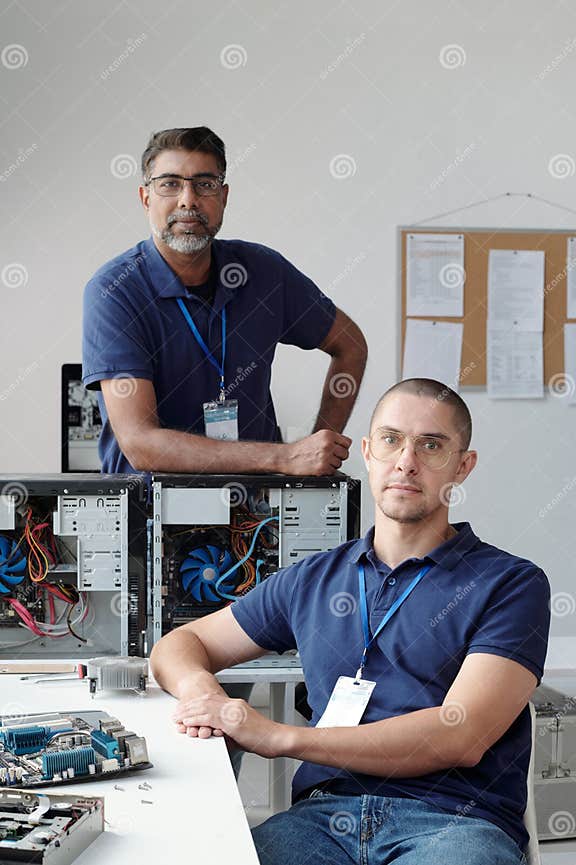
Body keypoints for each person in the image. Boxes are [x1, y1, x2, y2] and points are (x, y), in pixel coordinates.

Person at [150, 378, 551, 865]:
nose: (406, 461)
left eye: (431, 445)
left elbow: (460, 735)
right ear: (367, 452)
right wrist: (204, 694)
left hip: (453, 823)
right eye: (391, 440)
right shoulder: (313, 578)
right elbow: (179, 644)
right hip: (320, 822)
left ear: (463, 466)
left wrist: (279, 737)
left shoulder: (510, 584)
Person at [82, 126, 367, 475]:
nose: (188, 200)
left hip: (252, 506)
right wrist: (285, 458)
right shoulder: (115, 290)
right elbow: (141, 444)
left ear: (224, 197)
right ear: (145, 198)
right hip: (149, 506)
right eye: (170, 184)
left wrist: (322, 445)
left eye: (205, 184)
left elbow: (350, 344)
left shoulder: (263, 271)